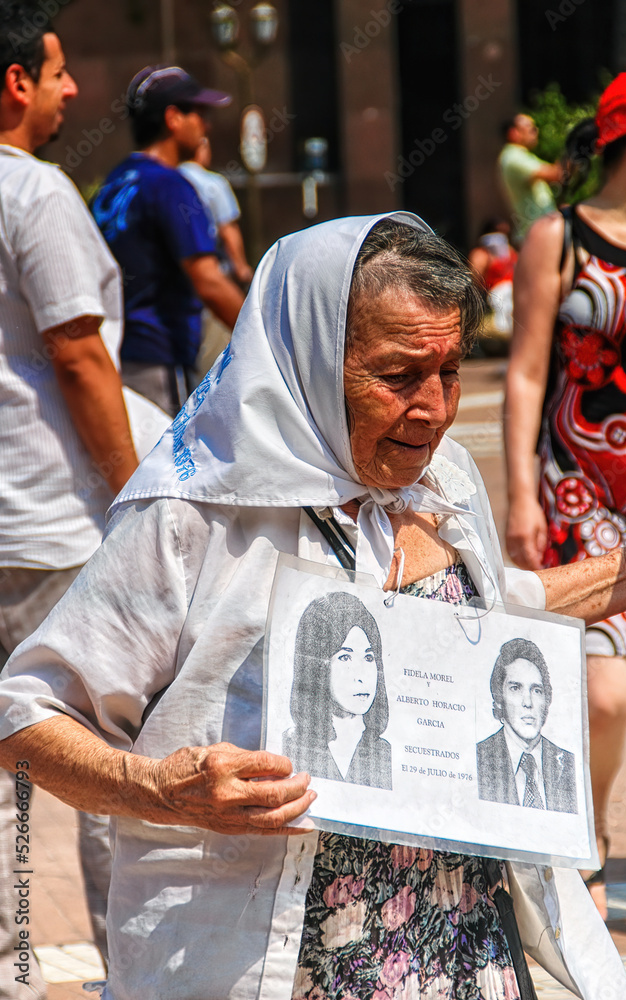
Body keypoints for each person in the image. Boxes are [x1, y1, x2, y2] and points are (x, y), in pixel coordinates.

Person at [0, 212, 626, 999]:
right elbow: (24, 717)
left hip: (454, 949)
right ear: (307, 360)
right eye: (398, 375)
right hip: (274, 963)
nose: (436, 409)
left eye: (449, 371)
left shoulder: (438, 481)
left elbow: (473, 621)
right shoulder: (194, 514)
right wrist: (159, 790)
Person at [0, 3, 164, 994]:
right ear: (15, 82)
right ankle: (134, 976)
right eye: (56, 72)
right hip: (51, 522)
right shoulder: (34, 192)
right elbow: (76, 350)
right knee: (101, 772)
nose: (72, 89)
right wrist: (132, 493)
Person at [504, 64, 626, 928]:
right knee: (604, 695)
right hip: (580, 494)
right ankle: (589, 835)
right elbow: (526, 371)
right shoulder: (558, 237)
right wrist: (520, 495)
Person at [92, 65, 246, 416]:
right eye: (198, 113)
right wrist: (262, 332)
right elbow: (207, 280)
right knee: (168, 466)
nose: (205, 125)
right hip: (159, 360)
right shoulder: (170, 185)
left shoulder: (114, 183)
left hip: (116, 354)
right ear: (173, 117)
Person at [283, 592, 392, 789]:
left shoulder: (383, 753)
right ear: (318, 666)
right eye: (345, 657)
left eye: (368, 658)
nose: (361, 675)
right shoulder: (291, 746)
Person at [476, 638, 577, 812]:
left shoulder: (568, 764)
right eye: (515, 688)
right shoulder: (480, 757)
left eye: (536, 690)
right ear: (499, 697)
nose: (528, 702)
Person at [179, 136, 253, 286]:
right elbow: (227, 229)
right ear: (201, 149)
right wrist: (241, 268)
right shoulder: (214, 183)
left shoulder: (166, 181)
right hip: (211, 270)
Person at [498, 113, 563, 246]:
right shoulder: (513, 156)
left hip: (537, 234)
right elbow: (555, 174)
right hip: (535, 237)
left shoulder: (521, 155)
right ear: (514, 133)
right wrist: (575, 149)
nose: (536, 131)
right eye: (531, 128)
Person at [468, 218, 518, 336]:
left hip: (513, 291)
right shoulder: (481, 254)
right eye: (496, 231)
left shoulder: (511, 251)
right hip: (496, 293)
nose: (500, 235)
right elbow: (476, 279)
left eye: (504, 233)